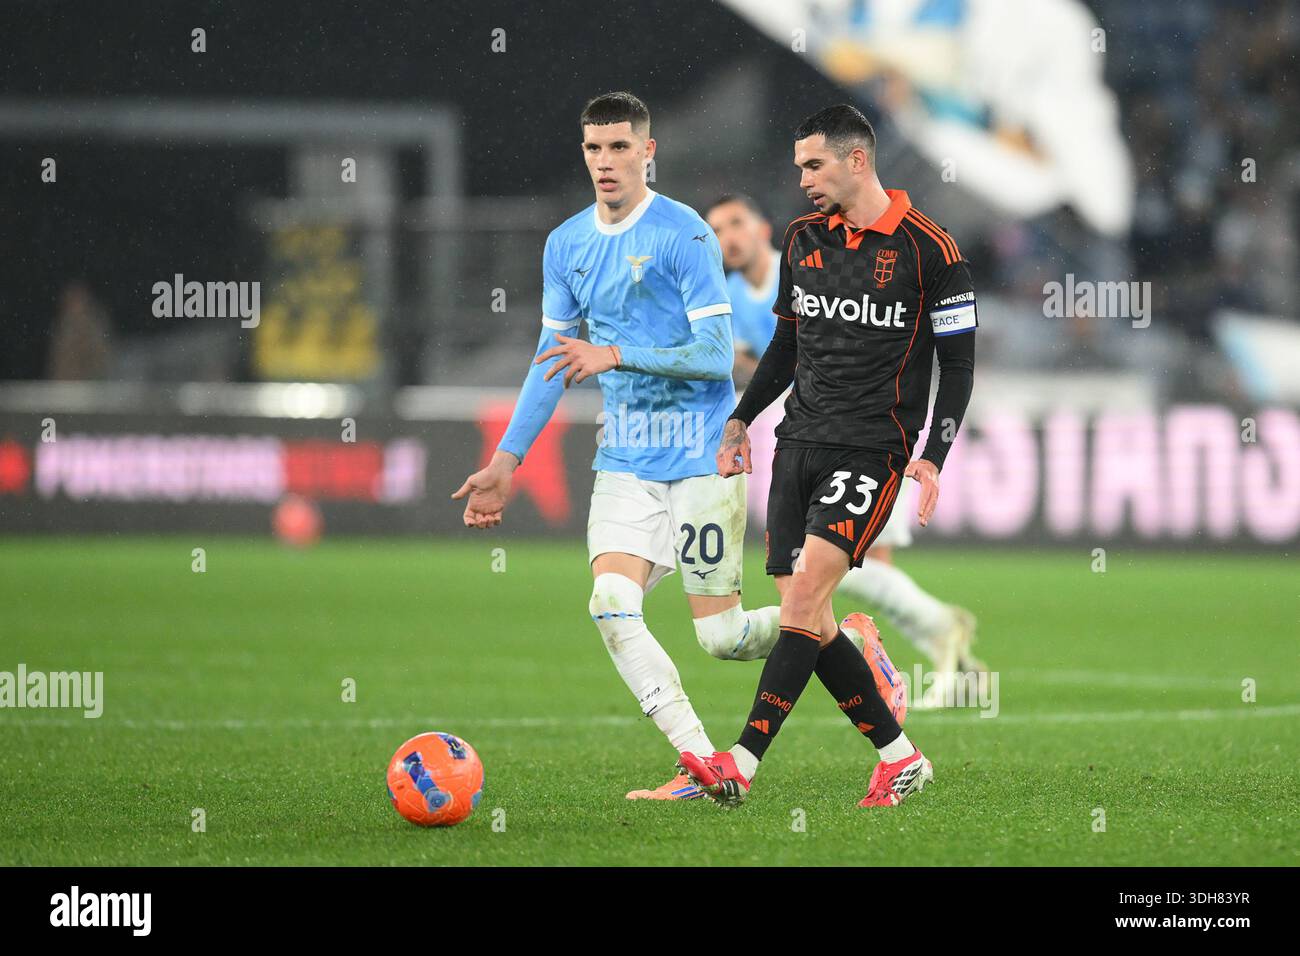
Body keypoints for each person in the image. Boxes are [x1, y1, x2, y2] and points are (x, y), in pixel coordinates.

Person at [453, 92, 801, 802]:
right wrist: (506, 461)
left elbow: (713, 356)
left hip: (704, 456)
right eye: (593, 148)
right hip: (626, 462)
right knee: (610, 601)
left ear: (648, 152)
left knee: (723, 639)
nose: (605, 162)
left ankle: (841, 635)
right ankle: (702, 761)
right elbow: (552, 358)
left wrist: (613, 354)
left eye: (619, 147)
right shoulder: (567, 245)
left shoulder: (688, 235)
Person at [680, 104, 977, 808]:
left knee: (809, 594)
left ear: (857, 160)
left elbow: (959, 368)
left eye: (813, 164)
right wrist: (742, 419)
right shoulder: (803, 239)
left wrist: (932, 456)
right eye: (799, 167)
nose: (803, 178)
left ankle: (740, 763)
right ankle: (899, 757)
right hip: (797, 445)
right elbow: (786, 344)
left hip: (873, 451)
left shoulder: (933, 252)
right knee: (806, 616)